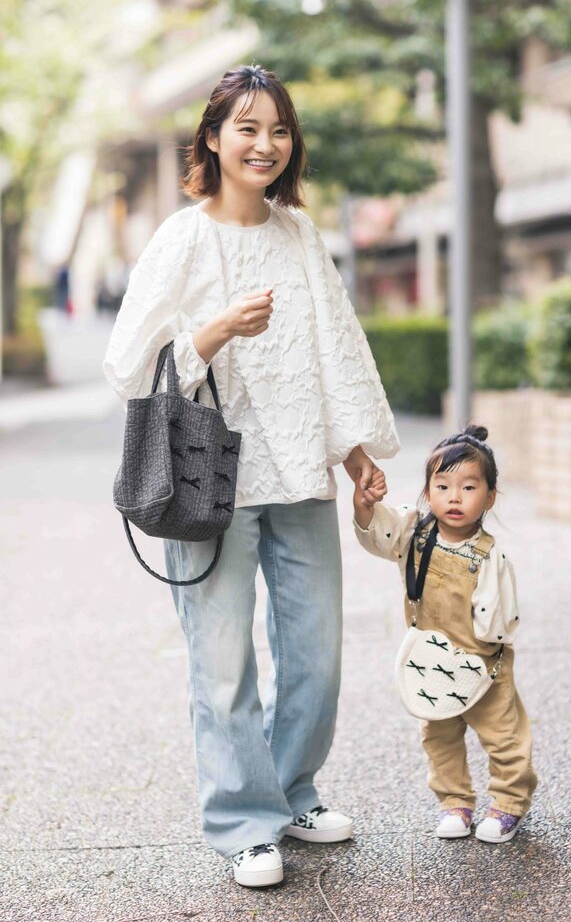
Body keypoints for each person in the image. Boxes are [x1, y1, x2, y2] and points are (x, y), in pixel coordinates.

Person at [103, 64, 399, 887]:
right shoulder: (181, 238)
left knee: (317, 652)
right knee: (223, 660)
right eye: (247, 128)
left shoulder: (300, 234)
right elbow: (128, 366)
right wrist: (213, 331)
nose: (265, 144)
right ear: (212, 136)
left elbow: (337, 349)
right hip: (209, 483)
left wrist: (358, 453)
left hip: (302, 470)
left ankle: (293, 790)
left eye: (278, 129)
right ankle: (242, 821)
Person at [352, 425, 537, 843]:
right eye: (443, 486)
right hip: (431, 659)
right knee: (439, 734)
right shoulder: (414, 534)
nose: (455, 497)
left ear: (489, 498)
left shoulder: (490, 556)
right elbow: (378, 534)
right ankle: (455, 802)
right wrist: (365, 507)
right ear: (427, 492)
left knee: (503, 736)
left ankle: (508, 803)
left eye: (469, 487)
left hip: (483, 661)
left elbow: (500, 618)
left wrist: (480, 655)